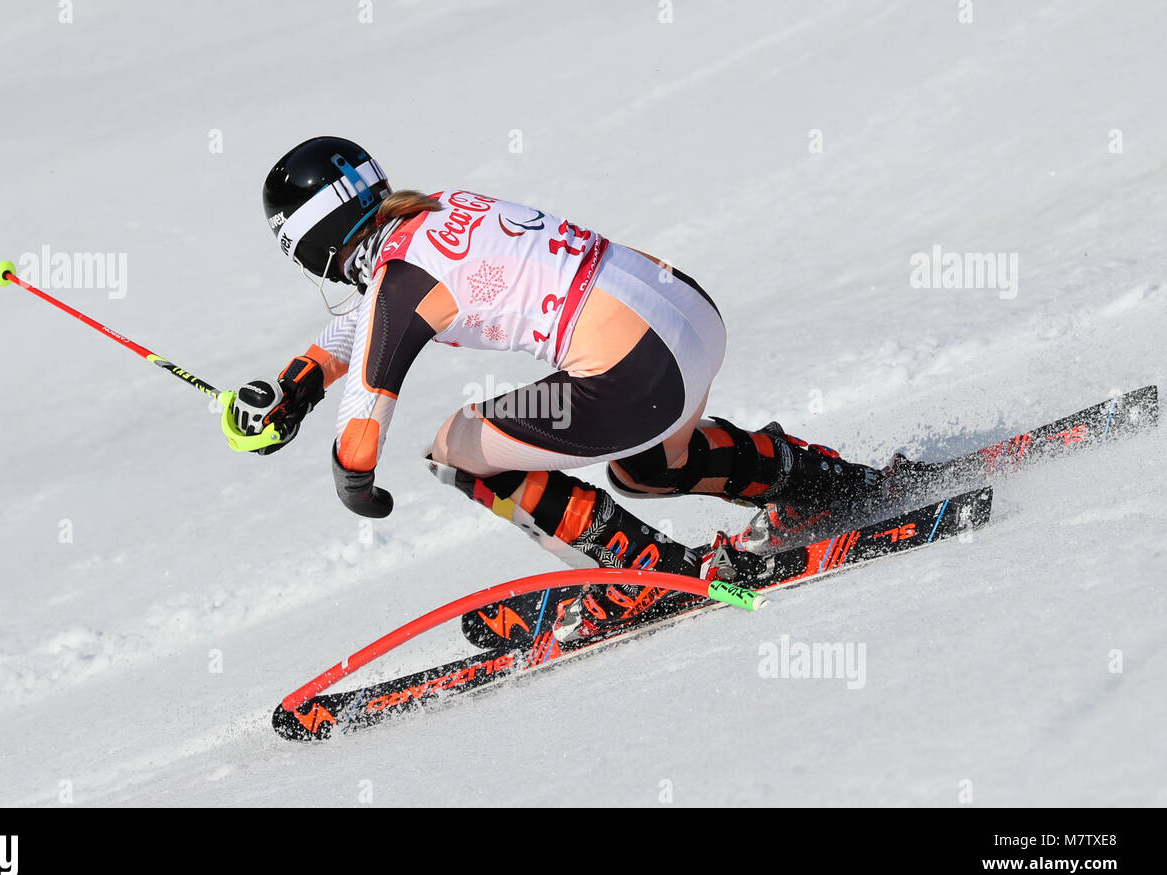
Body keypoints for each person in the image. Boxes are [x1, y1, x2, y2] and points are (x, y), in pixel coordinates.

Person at [224, 136, 889, 635]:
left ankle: (638, 577)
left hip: (641, 373)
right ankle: (813, 484)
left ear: (307, 244)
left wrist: (354, 483)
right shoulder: (439, 210)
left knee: (455, 448)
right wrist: (294, 390)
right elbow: (367, 325)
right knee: (647, 468)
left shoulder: (401, 279)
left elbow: (364, 420)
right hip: (687, 319)